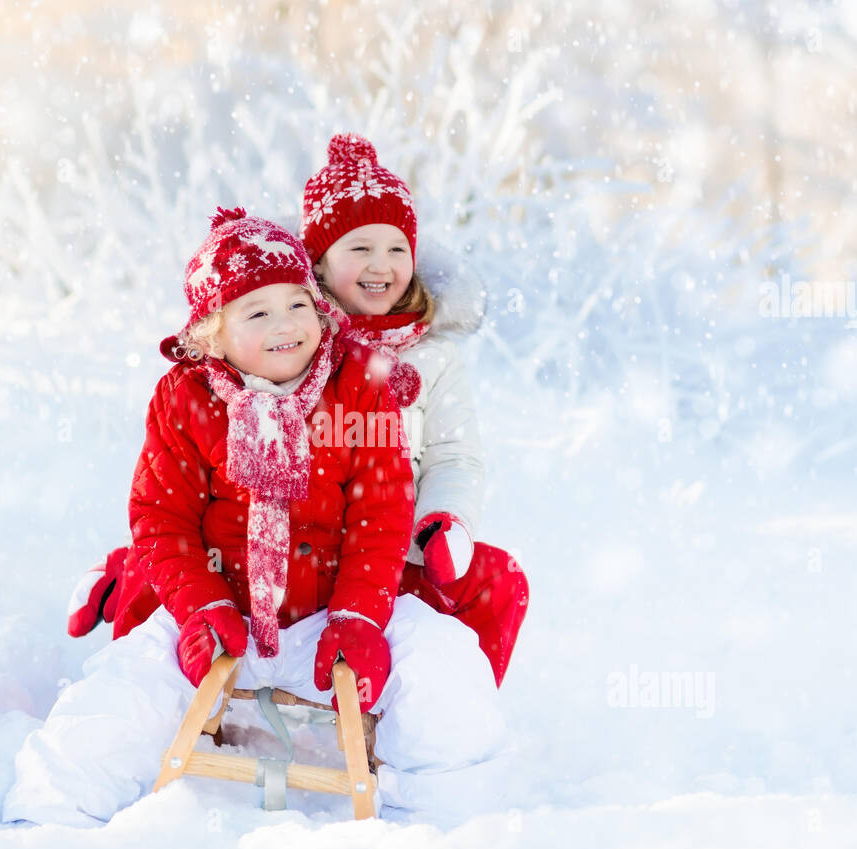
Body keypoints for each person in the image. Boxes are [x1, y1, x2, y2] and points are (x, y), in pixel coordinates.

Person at [2, 210, 507, 828]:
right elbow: (162, 521)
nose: (287, 326)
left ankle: (448, 818)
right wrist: (201, 607)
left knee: (444, 664)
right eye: (258, 312)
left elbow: (382, 516)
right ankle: (47, 820)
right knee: (121, 690)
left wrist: (357, 616)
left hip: (329, 615)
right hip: (222, 613)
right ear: (212, 334)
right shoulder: (185, 400)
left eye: (298, 304)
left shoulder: (359, 389)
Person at [71, 135, 530, 688]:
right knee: (171, 559)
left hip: (383, 543)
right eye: (358, 249)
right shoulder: (282, 334)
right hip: (252, 542)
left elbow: (455, 456)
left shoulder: (428, 358)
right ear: (316, 264)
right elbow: (173, 497)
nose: (379, 266)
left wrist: (444, 521)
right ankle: (133, 586)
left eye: (396, 249)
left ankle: (448, 705)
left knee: (495, 581)